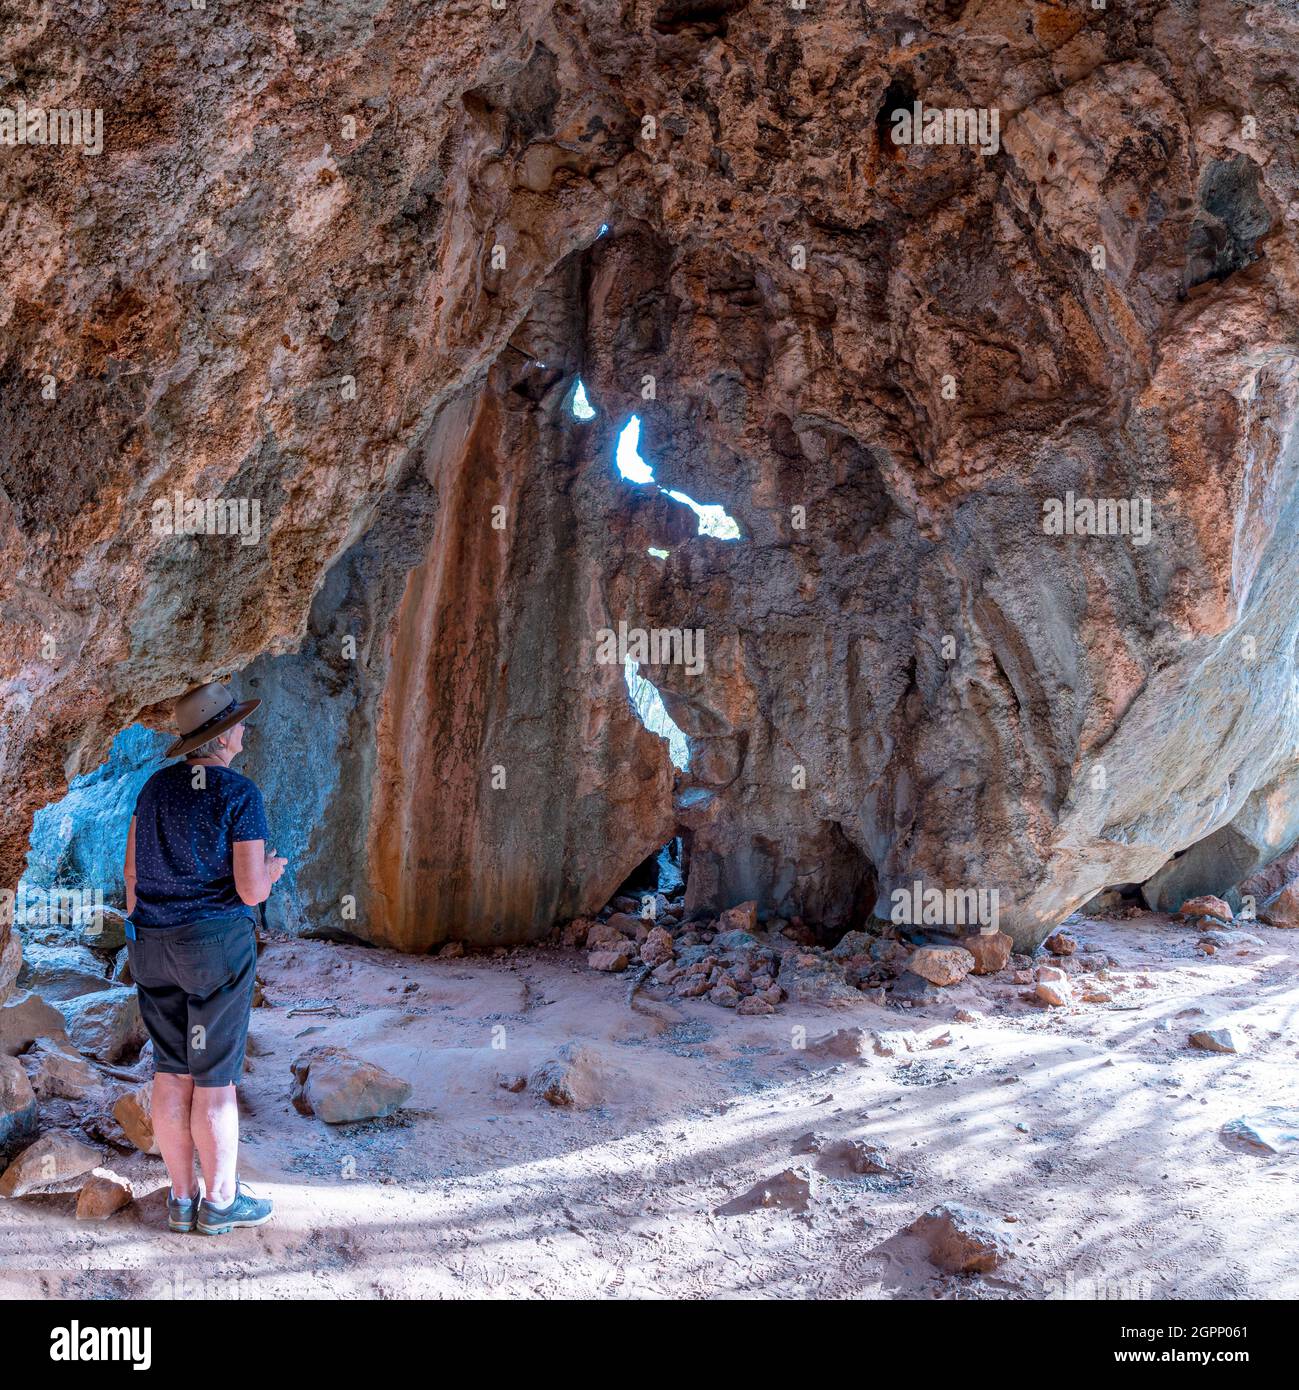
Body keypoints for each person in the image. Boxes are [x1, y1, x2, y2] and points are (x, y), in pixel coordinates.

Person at [122, 681, 286, 1235]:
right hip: (214, 948)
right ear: (220, 737)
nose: (243, 729)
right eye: (237, 722)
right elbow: (249, 891)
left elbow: (132, 880)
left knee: (172, 1073)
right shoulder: (240, 794)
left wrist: (154, 924)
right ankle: (220, 1203)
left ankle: (181, 1198)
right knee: (215, 1080)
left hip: (152, 944)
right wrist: (271, 875)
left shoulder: (152, 791)